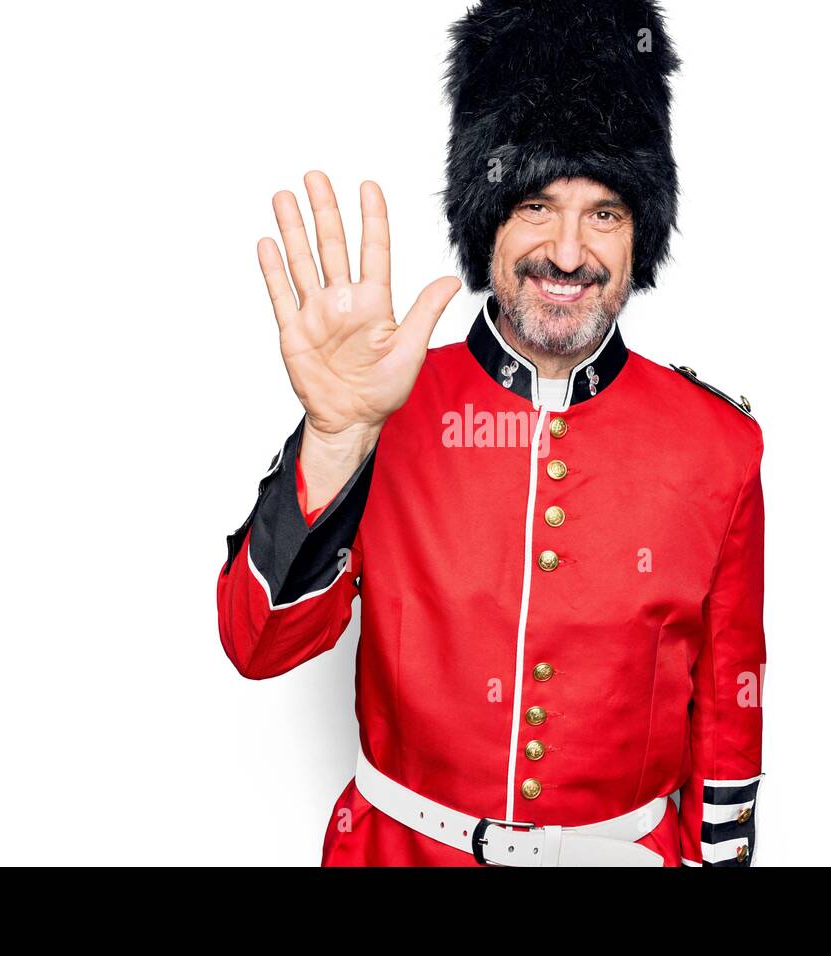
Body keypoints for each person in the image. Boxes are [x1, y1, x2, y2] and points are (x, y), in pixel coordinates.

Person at [216, 0, 766, 867]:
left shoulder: (719, 445)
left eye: (607, 214)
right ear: (488, 222)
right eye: (537, 206)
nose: (570, 252)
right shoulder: (383, 403)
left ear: (641, 235)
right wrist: (333, 437)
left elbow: (730, 721)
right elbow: (256, 644)